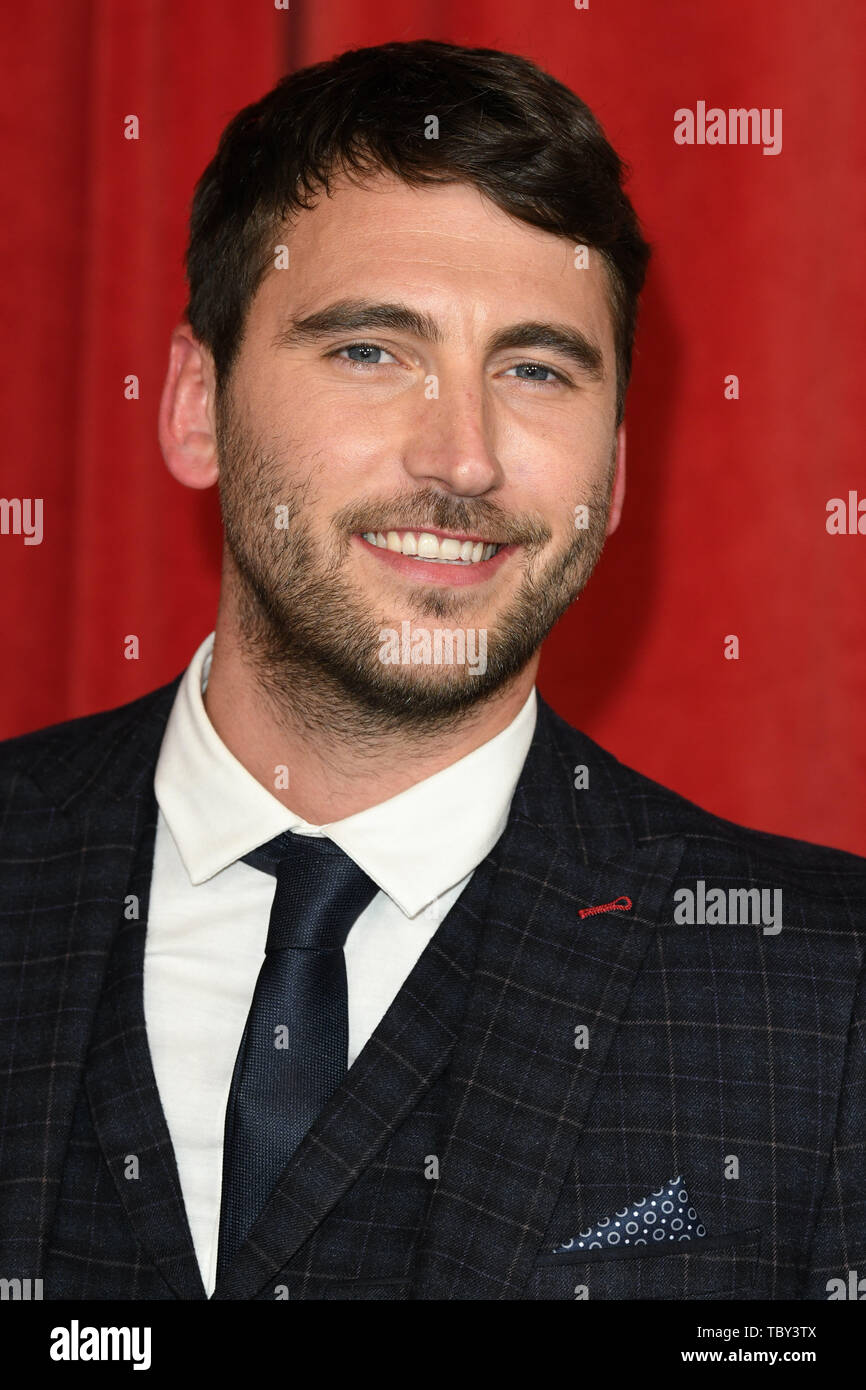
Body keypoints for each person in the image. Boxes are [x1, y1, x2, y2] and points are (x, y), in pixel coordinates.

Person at [0, 39, 862, 1303]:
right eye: (369, 351)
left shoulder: (825, 994)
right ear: (196, 403)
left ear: (614, 473)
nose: (460, 457)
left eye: (533, 370)